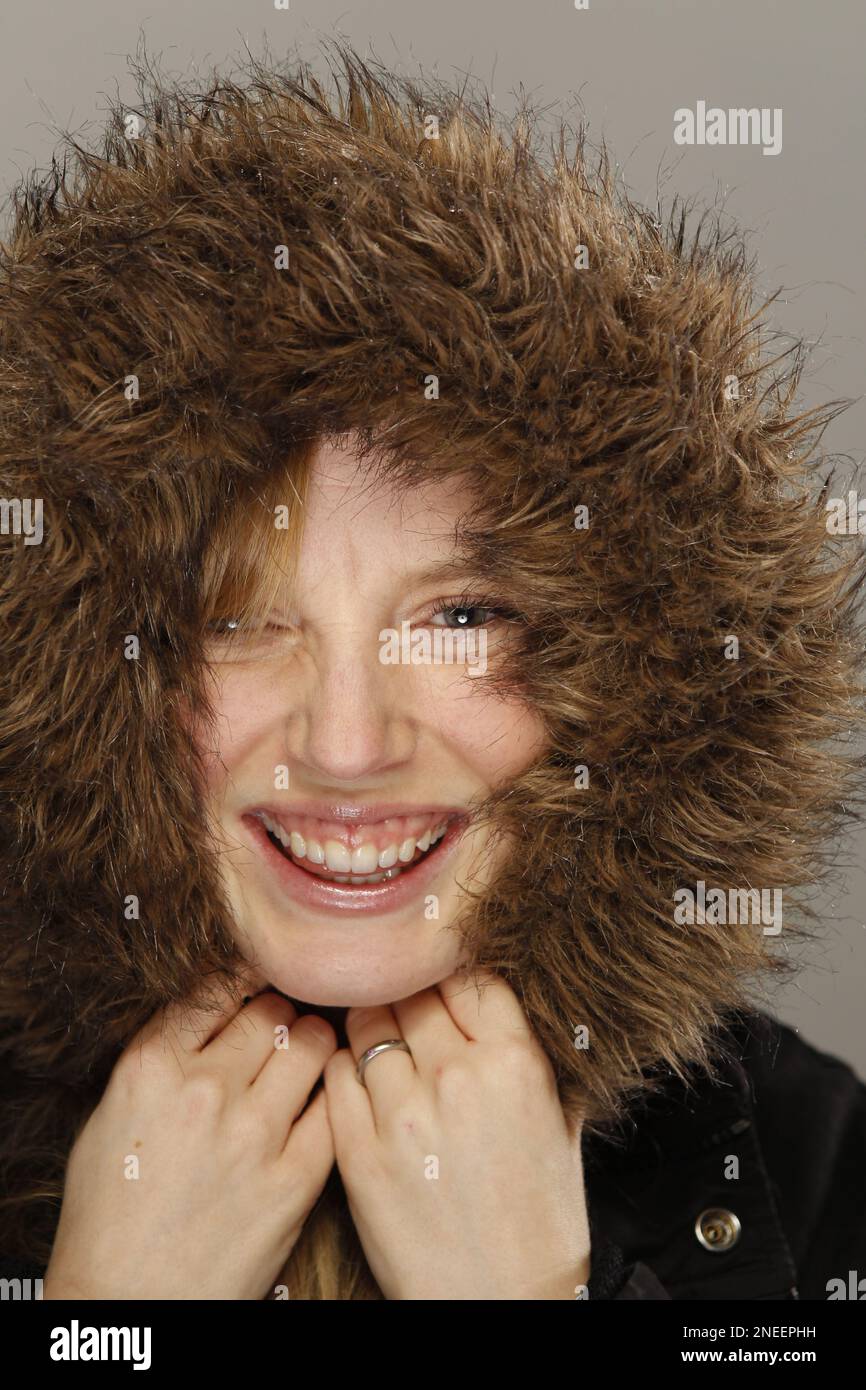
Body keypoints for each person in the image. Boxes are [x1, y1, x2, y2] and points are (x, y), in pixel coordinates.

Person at [0, 42, 864, 1301]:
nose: (347, 745)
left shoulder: (810, 1169)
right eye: (236, 622)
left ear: (631, 674)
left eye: (462, 616)